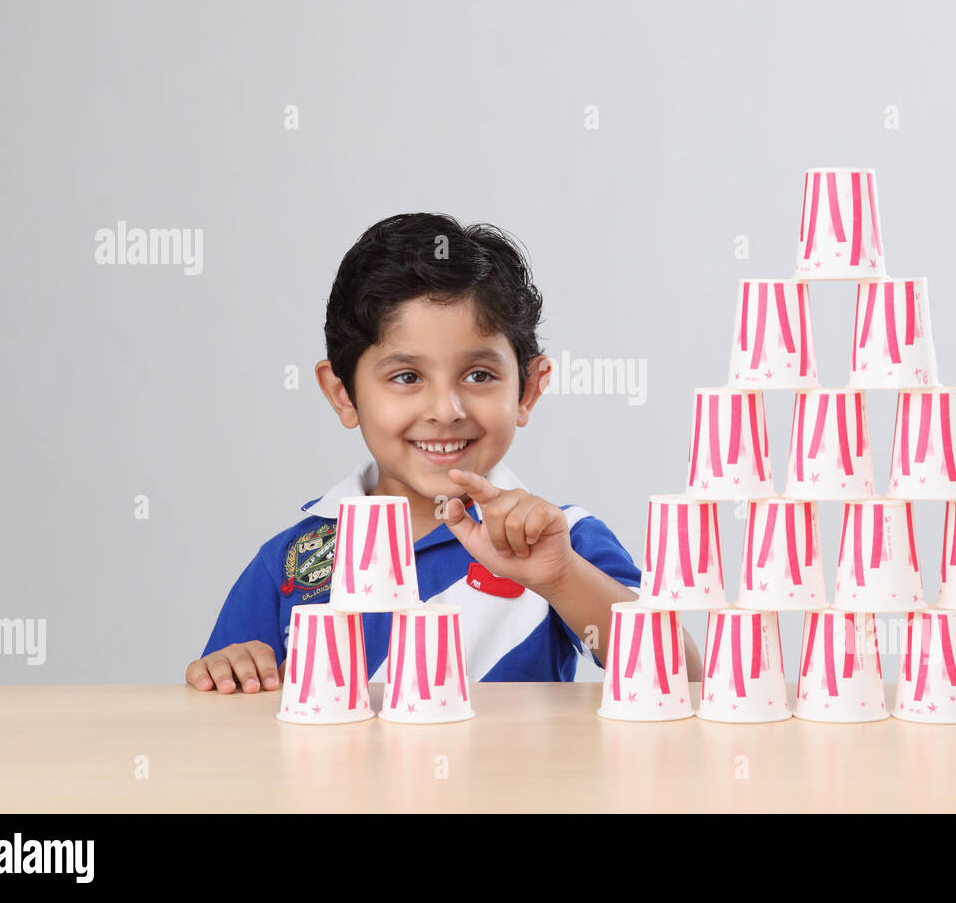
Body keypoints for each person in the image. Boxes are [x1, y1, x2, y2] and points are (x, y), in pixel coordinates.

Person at [185, 213, 702, 693]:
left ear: (527, 390)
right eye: (406, 377)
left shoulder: (562, 540)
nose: (445, 408)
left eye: (479, 375)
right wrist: (230, 670)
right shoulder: (292, 560)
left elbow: (687, 679)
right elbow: (222, 702)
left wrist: (562, 576)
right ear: (343, 393)